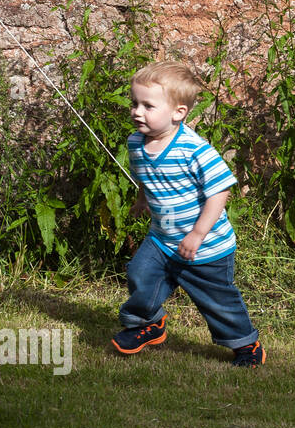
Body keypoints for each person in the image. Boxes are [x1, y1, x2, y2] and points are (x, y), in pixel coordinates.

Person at [110, 60, 265, 367]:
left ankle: (246, 345)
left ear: (178, 112)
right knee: (140, 274)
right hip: (162, 239)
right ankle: (147, 325)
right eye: (134, 103)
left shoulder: (195, 150)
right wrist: (142, 200)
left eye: (148, 106)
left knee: (218, 301)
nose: (137, 112)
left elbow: (220, 191)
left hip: (206, 247)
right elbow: (146, 175)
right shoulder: (137, 143)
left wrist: (197, 234)